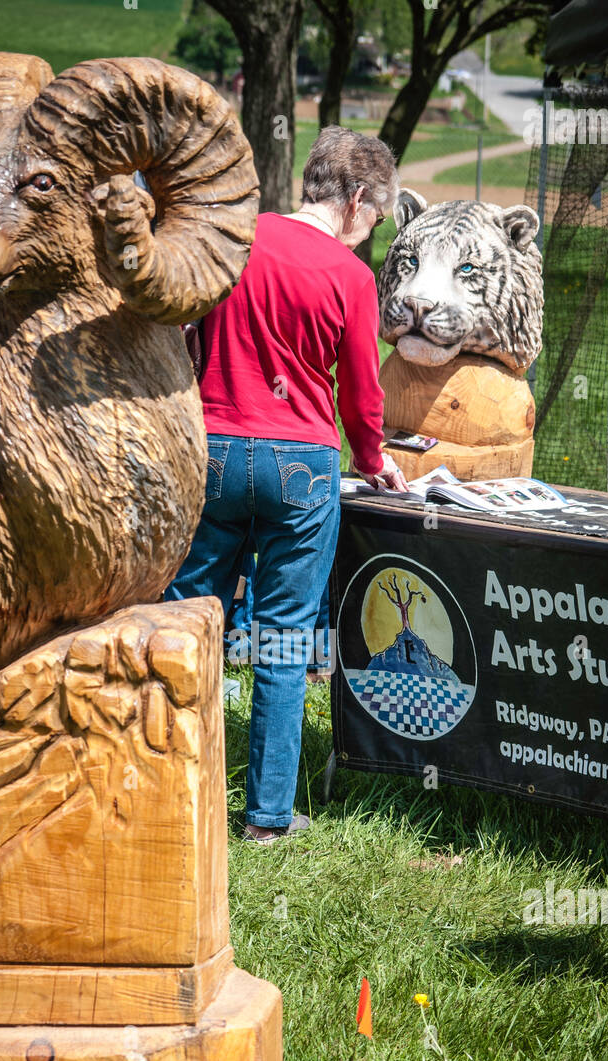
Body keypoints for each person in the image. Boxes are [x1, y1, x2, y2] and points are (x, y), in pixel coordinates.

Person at [167, 126, 408, 844]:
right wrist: (374, 458)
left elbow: (181, 327)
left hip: (211, 447)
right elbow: (362, 393)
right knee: (279, 641)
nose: (368, 234)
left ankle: (172, 794)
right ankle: (267, 818)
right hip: (301, 465)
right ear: (358, 197)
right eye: (375, 219)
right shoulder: (349, 276)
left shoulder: (236, 237)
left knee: (185, 624)